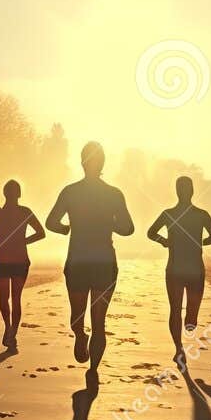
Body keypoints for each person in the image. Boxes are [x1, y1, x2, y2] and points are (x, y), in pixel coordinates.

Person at [46, 142, 134, 374]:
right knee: (82, 319)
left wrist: (67, 228)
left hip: (82, 261)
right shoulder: (110, 194)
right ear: (101, 163)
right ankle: (80, 336)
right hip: (98, 261)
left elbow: (51, 223)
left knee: (96, 321)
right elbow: (127, 228)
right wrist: (108, 223)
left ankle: (93, 369)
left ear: (82, 162)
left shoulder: (73, 192)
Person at [147, 176, 211, 367]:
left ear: (178, 191)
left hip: (181, 268)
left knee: (183, 312)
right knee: (177, 310)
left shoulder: (186, 214)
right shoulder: (187, 214)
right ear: (191, 191)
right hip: (188, 268)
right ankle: (179, 347)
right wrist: (196, 242)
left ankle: (186, 329)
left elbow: (150, 233)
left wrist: (165, 241)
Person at [0, 180, 46, 350]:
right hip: (19, 259)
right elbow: (41, 233)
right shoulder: (24, 212)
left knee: (5, 299)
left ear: (5, 193)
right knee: (15, 298)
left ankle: (9, 329)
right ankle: (12, 332)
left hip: (4, 259)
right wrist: (22, 241)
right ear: (19, 194)